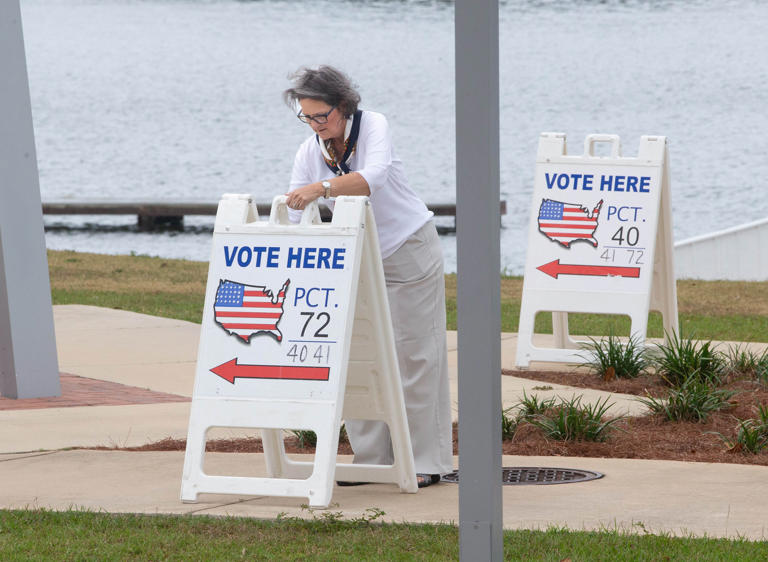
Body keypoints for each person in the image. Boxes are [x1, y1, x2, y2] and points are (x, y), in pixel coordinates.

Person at [283, 65, 452, 488]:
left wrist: (320, 190)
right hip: (355, 256)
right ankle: (372, 459)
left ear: (343, 107)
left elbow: (371, 178)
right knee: (360, 355)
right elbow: (292, 208)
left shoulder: (373, 125)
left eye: (322, 116)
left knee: (416, 356)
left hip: (407, 249)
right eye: (307, 117)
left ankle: (424, 461)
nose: (317, 126)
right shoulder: (310, 151)